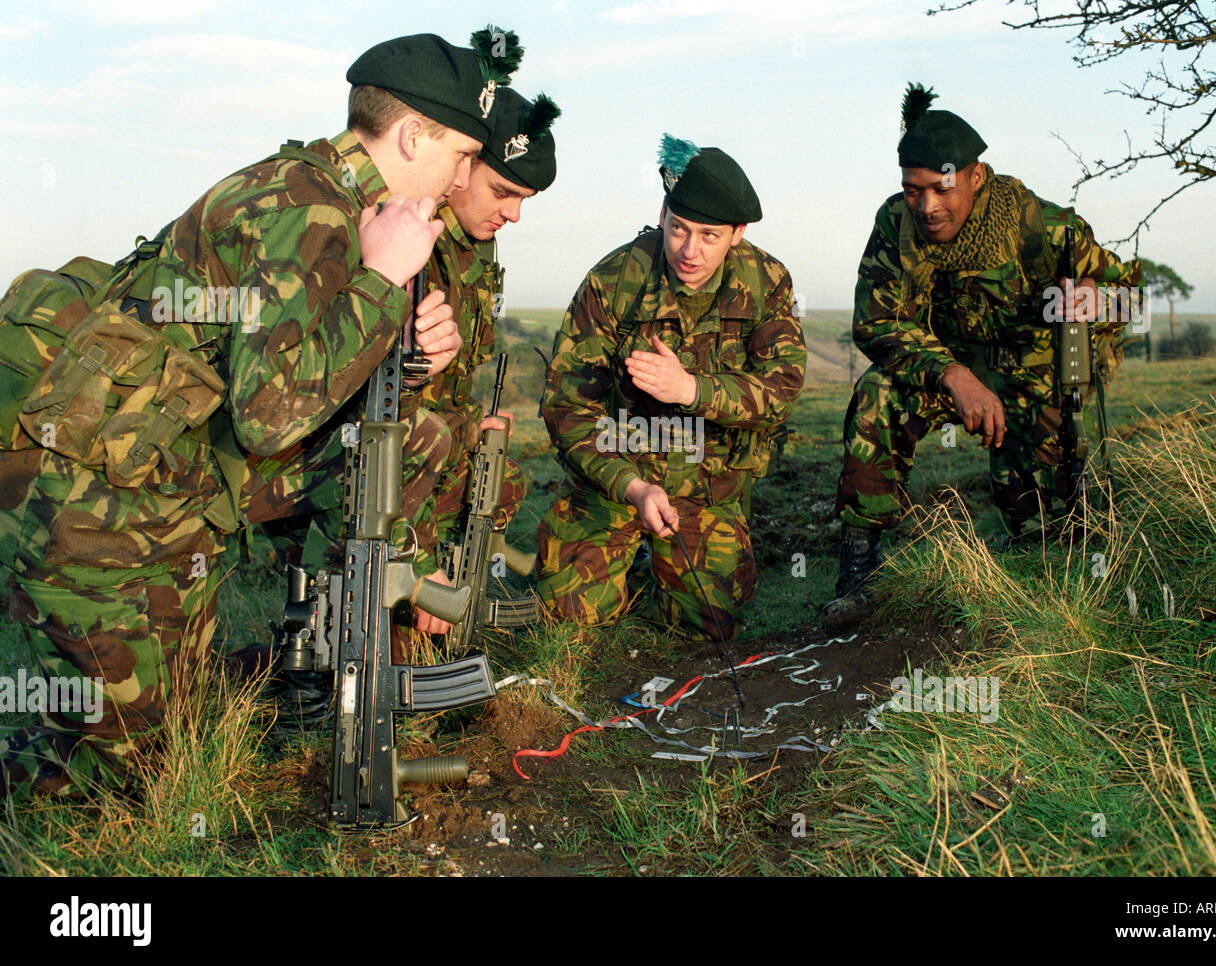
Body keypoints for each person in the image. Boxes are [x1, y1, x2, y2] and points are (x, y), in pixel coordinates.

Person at [0, 29, 524, 800]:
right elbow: (270, 419)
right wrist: (382, 279)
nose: (460, 179)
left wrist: (405, 356)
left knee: (192, 728)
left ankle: (266, 659)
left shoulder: (332, 200)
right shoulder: (301, 209)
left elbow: (299, 378)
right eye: (459, 156)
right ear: (414, 135)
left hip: (164, 488)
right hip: (89, 516)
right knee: (133, 782)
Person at [821, 84, 1143, 629]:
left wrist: (1093, 300)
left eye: (941, 189)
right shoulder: (895, 225)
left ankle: (1040, 545)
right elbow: (876, 323)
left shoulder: (1045, 225)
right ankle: (860, 567)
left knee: (1044, 535)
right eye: (913, 190)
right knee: (879, 392)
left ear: (975, 176)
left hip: (1035, 377)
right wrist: (952, 375)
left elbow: (1130, 295)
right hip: (950, 370)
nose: (926, 206)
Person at [537, 135, 805, 642]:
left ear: (737, 233)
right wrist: (630, 486)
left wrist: (692, 391)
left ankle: (661, 564)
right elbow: (567, 405)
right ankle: (617, 551)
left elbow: (782, 390)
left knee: (708, 624)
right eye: (678, 228)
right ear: (662, 213)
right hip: (619, 479)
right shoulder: (615, 279)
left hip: (707, 487)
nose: (689, 250)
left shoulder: (766, 282)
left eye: (709, 236)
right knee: (570, 615)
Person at [412, 87, 561, 638]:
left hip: (432, 436)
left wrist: (476, 425)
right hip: (380, 456)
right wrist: (416, 556)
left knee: (505, 482)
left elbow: (446, 383)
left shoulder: (473, 246)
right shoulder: (407, 238)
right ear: (461, 164)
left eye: (526, 199)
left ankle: (452, 583)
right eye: (503, 192)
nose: (515, 215)